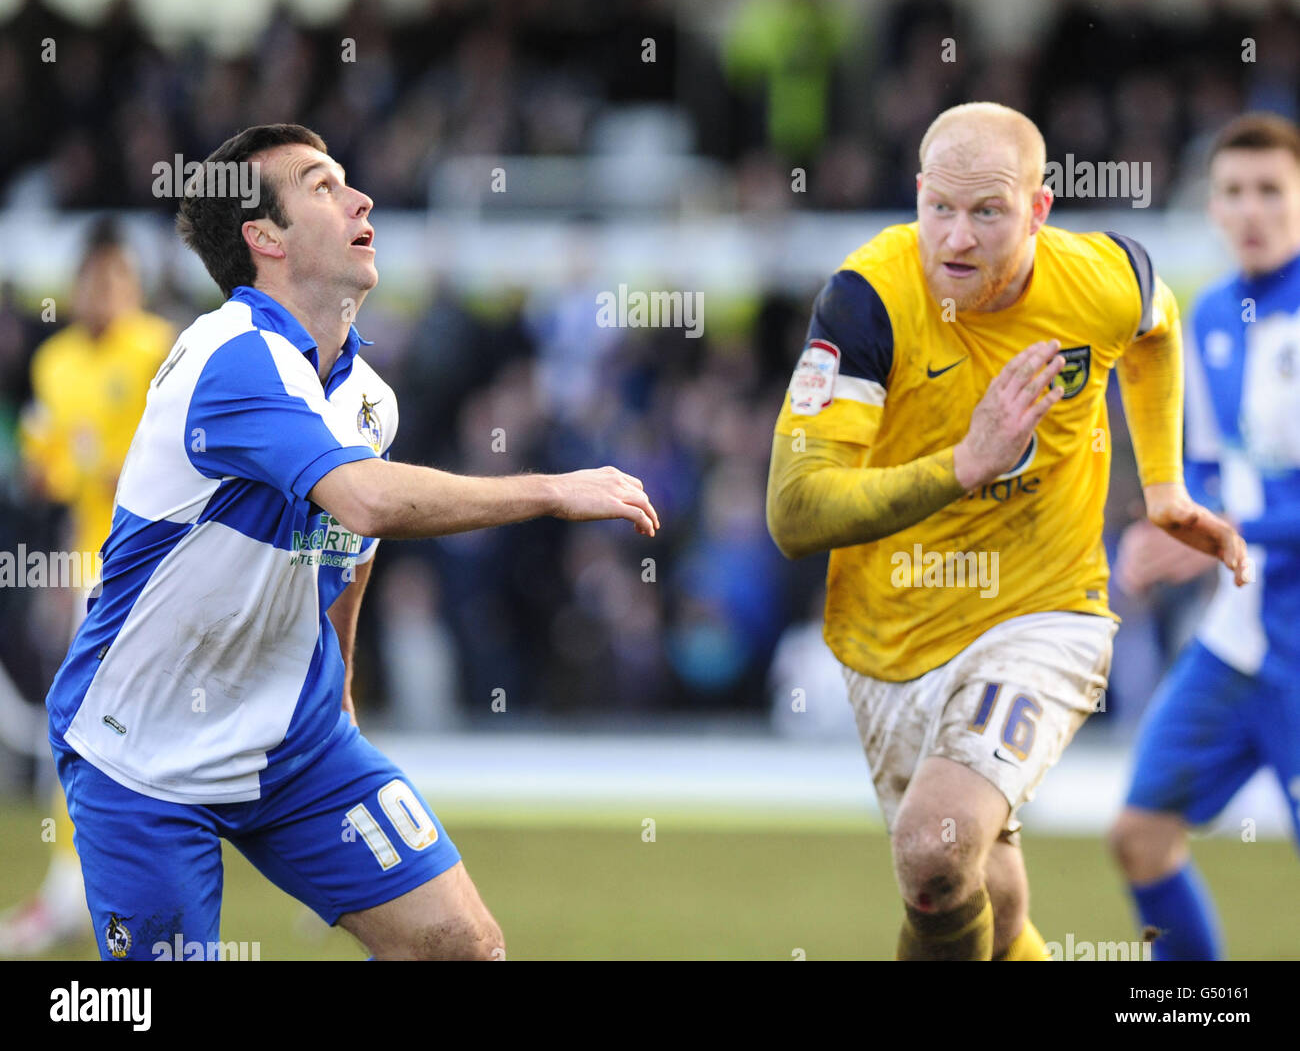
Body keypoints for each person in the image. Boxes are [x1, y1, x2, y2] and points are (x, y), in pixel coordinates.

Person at [45, 123, 658, 962]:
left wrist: (340, 696)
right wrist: (552, 490)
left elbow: (348, 559)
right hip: (140, 755)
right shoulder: (232, 357)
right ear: (265, 239)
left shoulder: (370, 396)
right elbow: (366, 503)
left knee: (461, 947)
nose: (362, 199)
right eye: (322, 186)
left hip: (293, 746)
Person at [766, 102, 1248, 961]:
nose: (956, 237)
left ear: (1038, 210)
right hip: (891, 633)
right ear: (917, 194)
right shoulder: (867, 302)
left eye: (987, 211)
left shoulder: (1096, 280)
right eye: (939, 208)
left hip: (1044, 611)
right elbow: (794, 512)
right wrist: (963, 463)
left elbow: (1156, 322)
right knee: (973, 891)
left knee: (933, 845)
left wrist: (1165, 486)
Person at [1109, 112, 1300, 959]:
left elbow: (1242, 507)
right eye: (1234, 191)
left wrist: (1223, 531)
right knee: (1139, 833)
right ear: (1212, 206)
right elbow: (1214, 467)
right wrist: (1179, 522)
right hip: (1239, 637)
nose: (1252, 209)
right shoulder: (1210, 314)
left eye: (1272, 190)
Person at [0, 219, 173, 955]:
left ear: (135, 285)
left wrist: (113, 469)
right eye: (93, 279)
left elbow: (183, 453)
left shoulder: (162, 350)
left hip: (164, 566)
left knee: (146, 733)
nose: (103, 292)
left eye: (115, 278)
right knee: (84, 731)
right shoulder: (56, 361)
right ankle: (75, 889)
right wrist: (73, 469)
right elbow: (39, 466)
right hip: (89, 568)